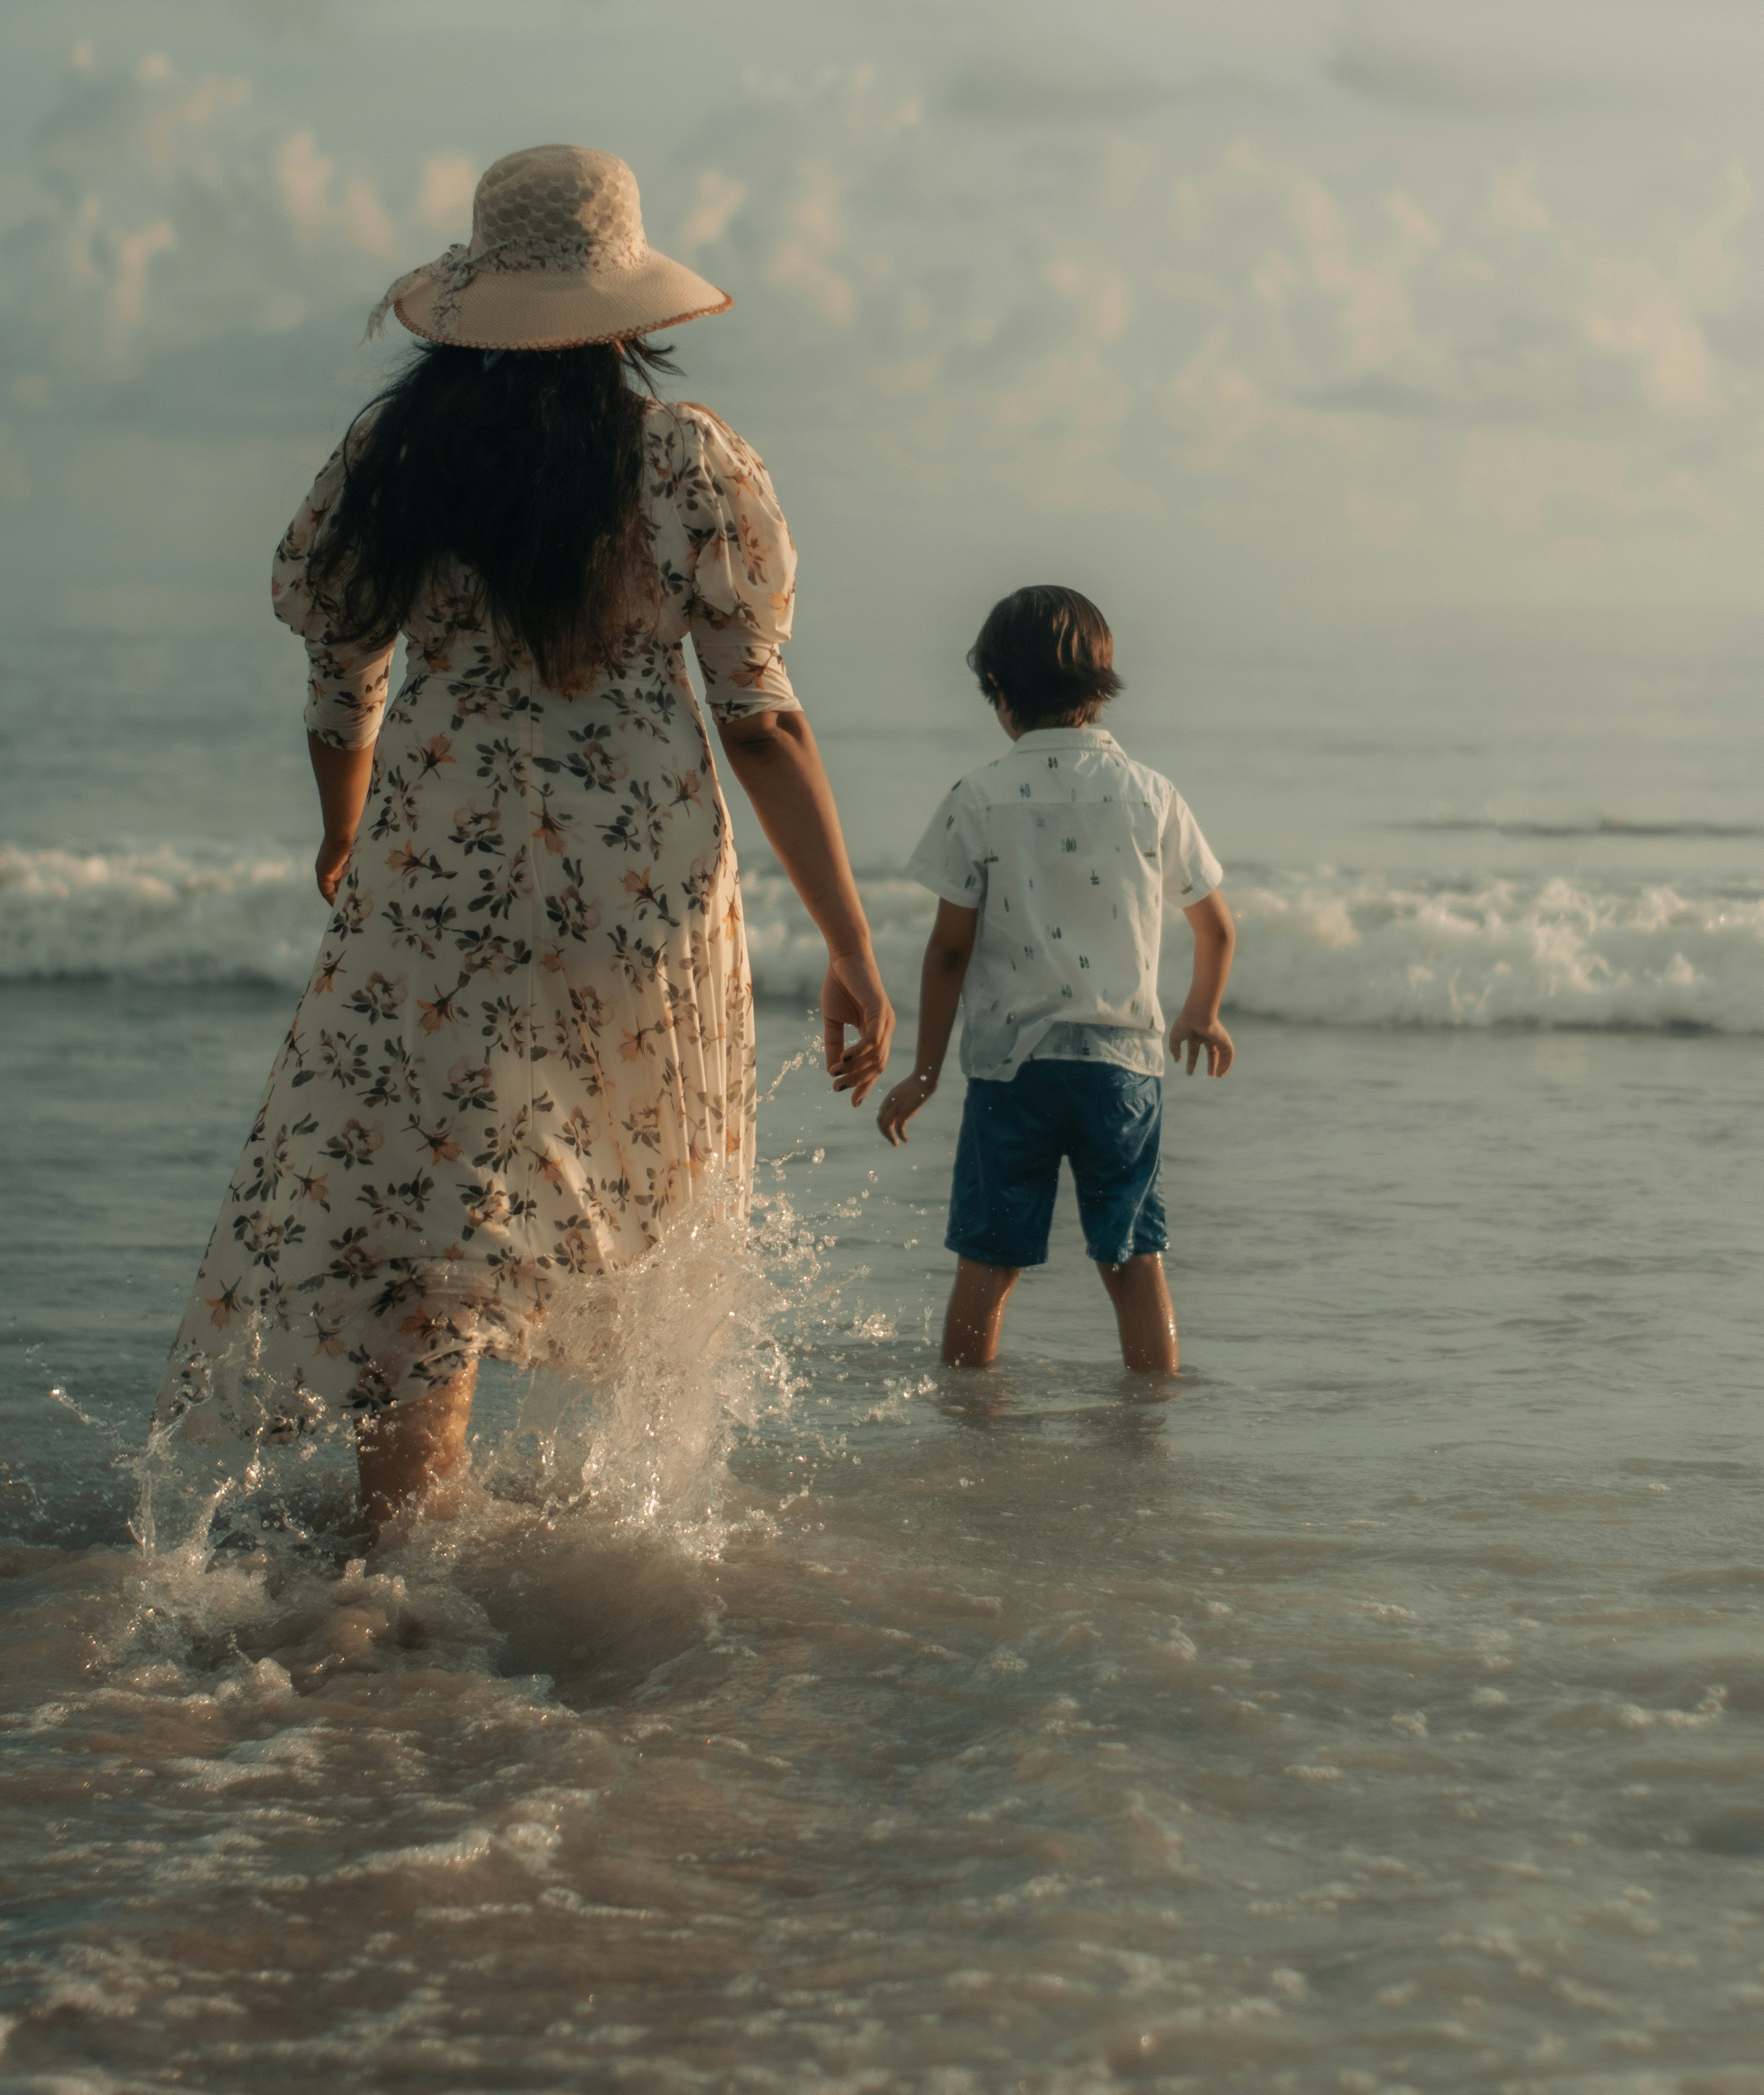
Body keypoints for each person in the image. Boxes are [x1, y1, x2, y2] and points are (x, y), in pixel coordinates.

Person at [155, 143, 893, 1534]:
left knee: (430, 1198)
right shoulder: (686, 458)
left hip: (435, 870)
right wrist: (851, 942)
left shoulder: (399, 456)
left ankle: (404, 1545)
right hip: (637, 891)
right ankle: (637, 1550)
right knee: (618, 1191)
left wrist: (345, 834)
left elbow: (339, 685)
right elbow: (759, 720)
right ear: (630, 310)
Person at [875, 585, 1232, 1375]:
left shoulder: (979, 797)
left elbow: (946, 953)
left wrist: (926, 1071)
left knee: (989, 1263)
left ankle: (969, 1423)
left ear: (1000, 695)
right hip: (1124, 1068)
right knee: (1133, 1260)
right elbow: (1217, 928)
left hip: (1013, 1070)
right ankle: (1150, 1425)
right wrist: (1201, 1013)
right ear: (1100, 689)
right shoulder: (1152, 794)